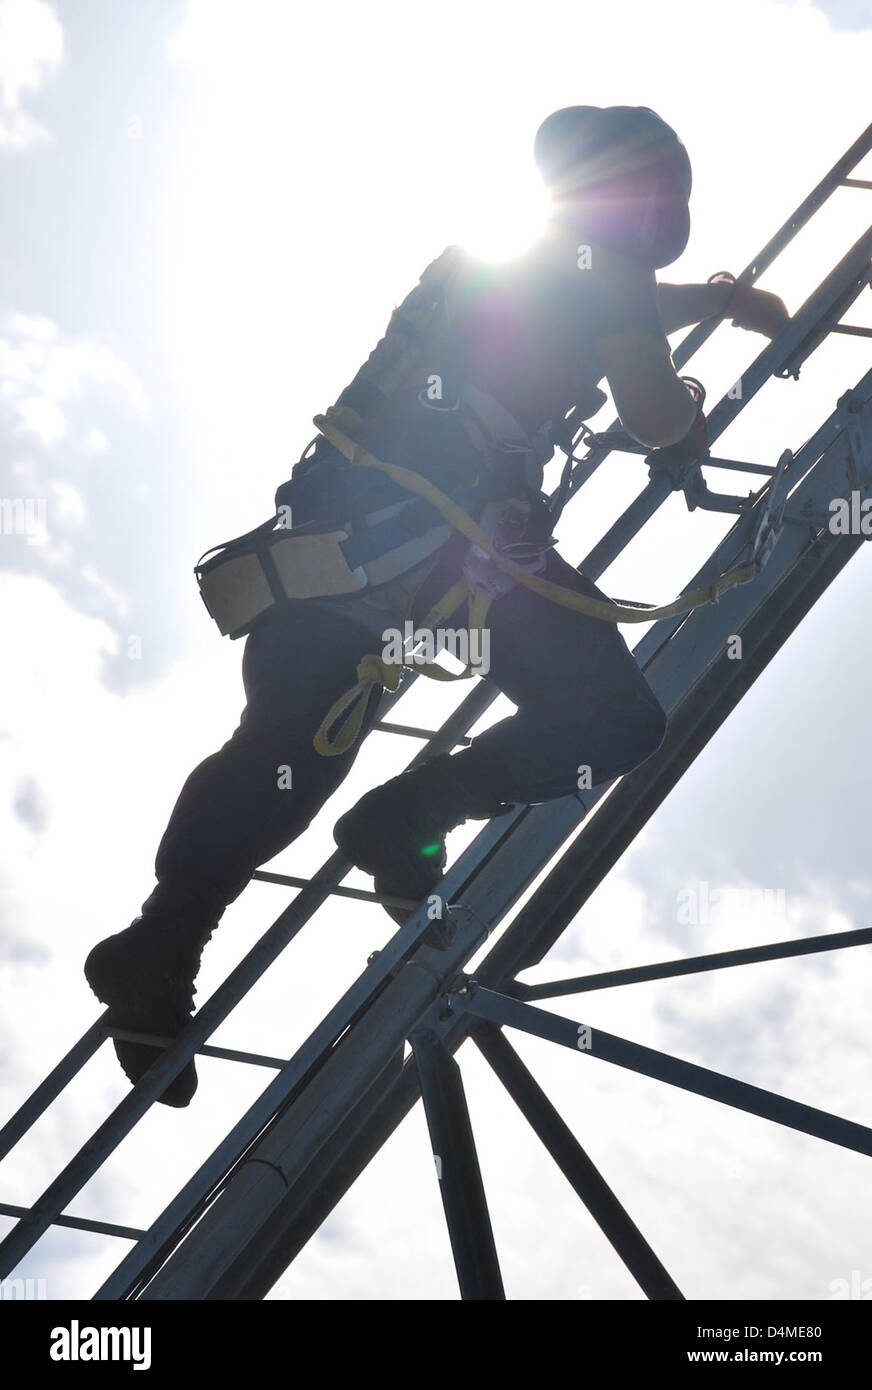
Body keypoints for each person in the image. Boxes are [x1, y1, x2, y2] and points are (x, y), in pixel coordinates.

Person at [85, 105, 789, 1106]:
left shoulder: (510, 255)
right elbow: (649, 406)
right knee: (613, 718)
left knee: (284, 750)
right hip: (450, 561)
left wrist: (706, 299)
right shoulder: (607, 273)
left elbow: (594, 306)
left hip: (340, 547)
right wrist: (692, 400)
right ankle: (411, 814)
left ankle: (161, 941)